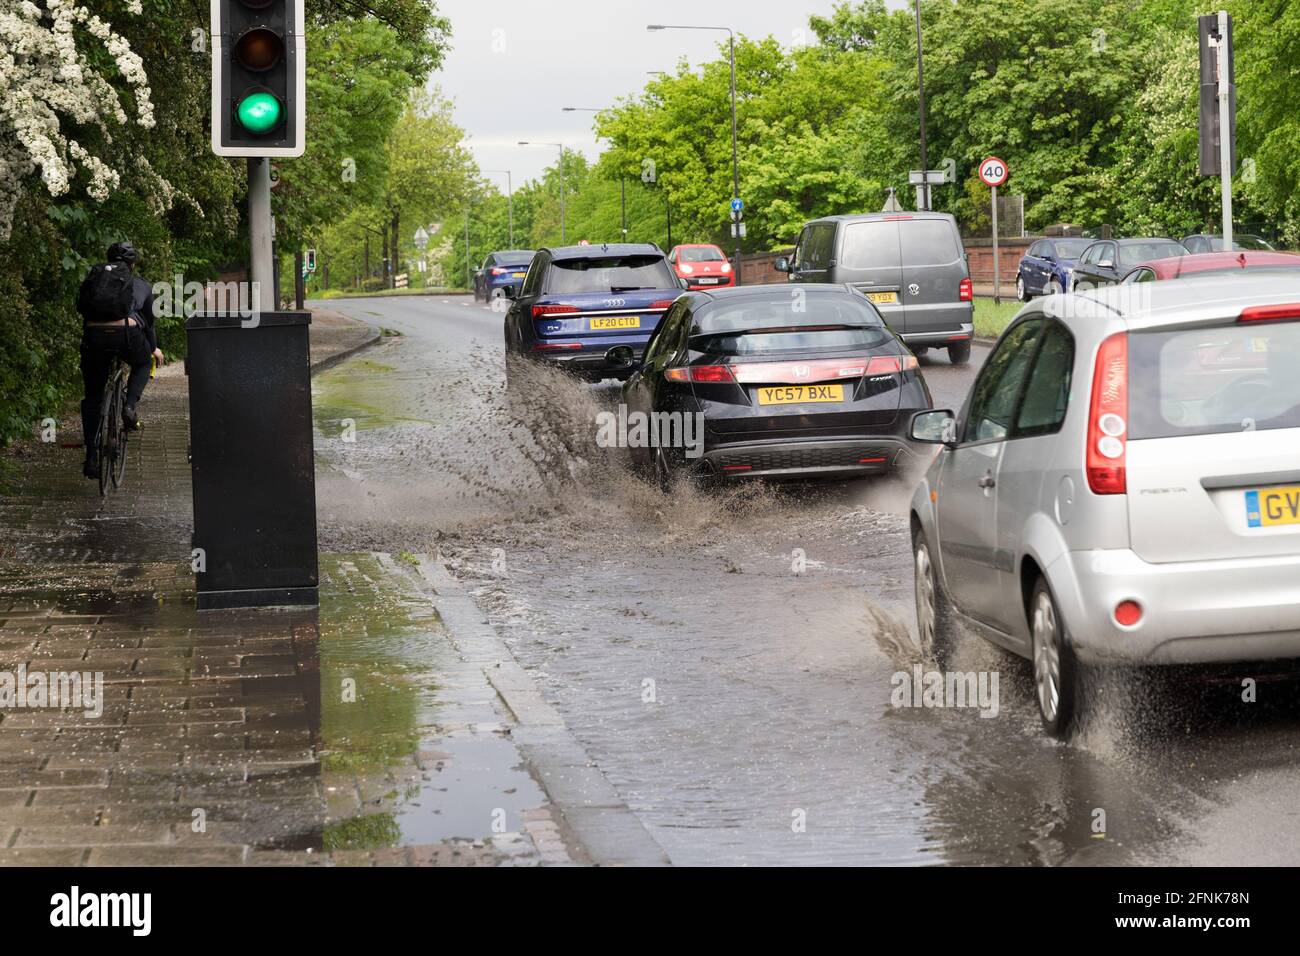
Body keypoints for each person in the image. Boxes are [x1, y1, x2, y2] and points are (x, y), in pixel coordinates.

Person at [77, 241, 165, 479]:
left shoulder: (96, 278)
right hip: (126, 334)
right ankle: (129, 406)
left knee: (93, 396)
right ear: (132, 264)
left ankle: (92, 458)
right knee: (143, 363)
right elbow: (149, 323)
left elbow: (81, 308)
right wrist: (154, 348)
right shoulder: (141, 285)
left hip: (94, 337)